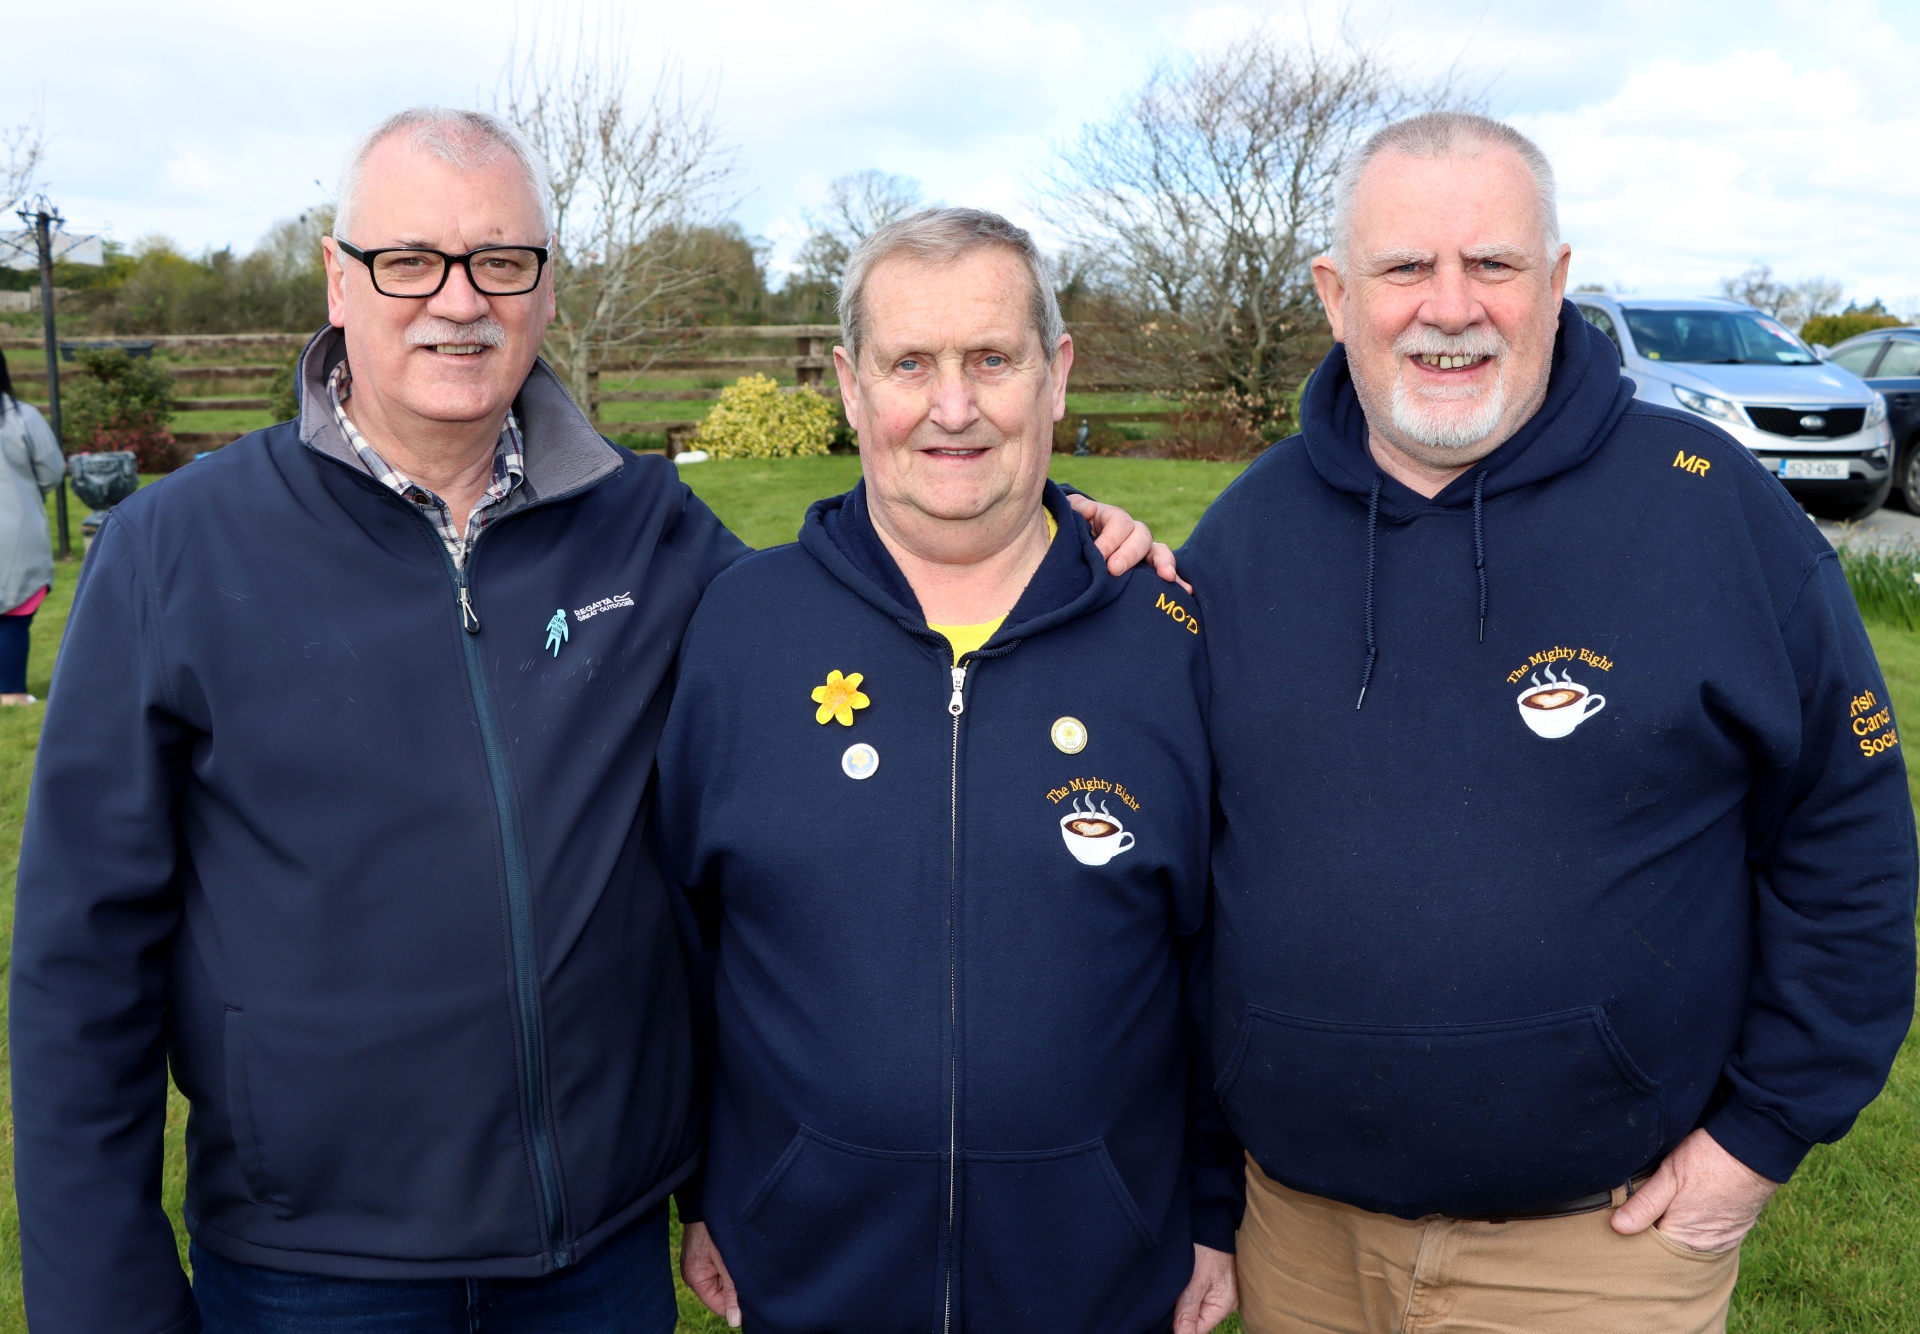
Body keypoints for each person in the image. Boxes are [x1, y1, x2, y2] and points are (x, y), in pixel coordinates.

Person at [7, 107, 1180, 1333]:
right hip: (313, 1267)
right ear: (337, 278)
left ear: (547, 284)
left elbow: (852, 596)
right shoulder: (176, 550)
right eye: (409, 260)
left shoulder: (650, 530)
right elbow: (80, 961)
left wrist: (1053, 539)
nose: (459, 300)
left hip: (597, 1261)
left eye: (500, 260)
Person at [1179, 111, 1917, 1334]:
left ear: (1558, 279)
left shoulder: (1712, 515)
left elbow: (1849, 842)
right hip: (1299, 1242)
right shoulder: (1242, 542)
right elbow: (1176, 884)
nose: (1450, 307)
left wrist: (1761, 1136)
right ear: (1335, 294)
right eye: (1405, 266)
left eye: (1494, 263)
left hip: (1599, 1257)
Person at [657, 208, 1243, 1334]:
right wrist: (705, 1189)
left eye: (992, 359)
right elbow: (680, 938)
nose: (954, 406)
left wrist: (1215, 1206)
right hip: (808, 1269)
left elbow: (1223, 956)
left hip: (1101, 1279)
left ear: (1056, 375)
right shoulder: (741, 630)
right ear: (850, 386)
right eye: (910, 364)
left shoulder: (1168, 638)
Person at [0, 348, 65, 705]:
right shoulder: (22, 417)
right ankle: (10, 692)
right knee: (14, 611)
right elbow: (52, 471)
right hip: (15, 528)